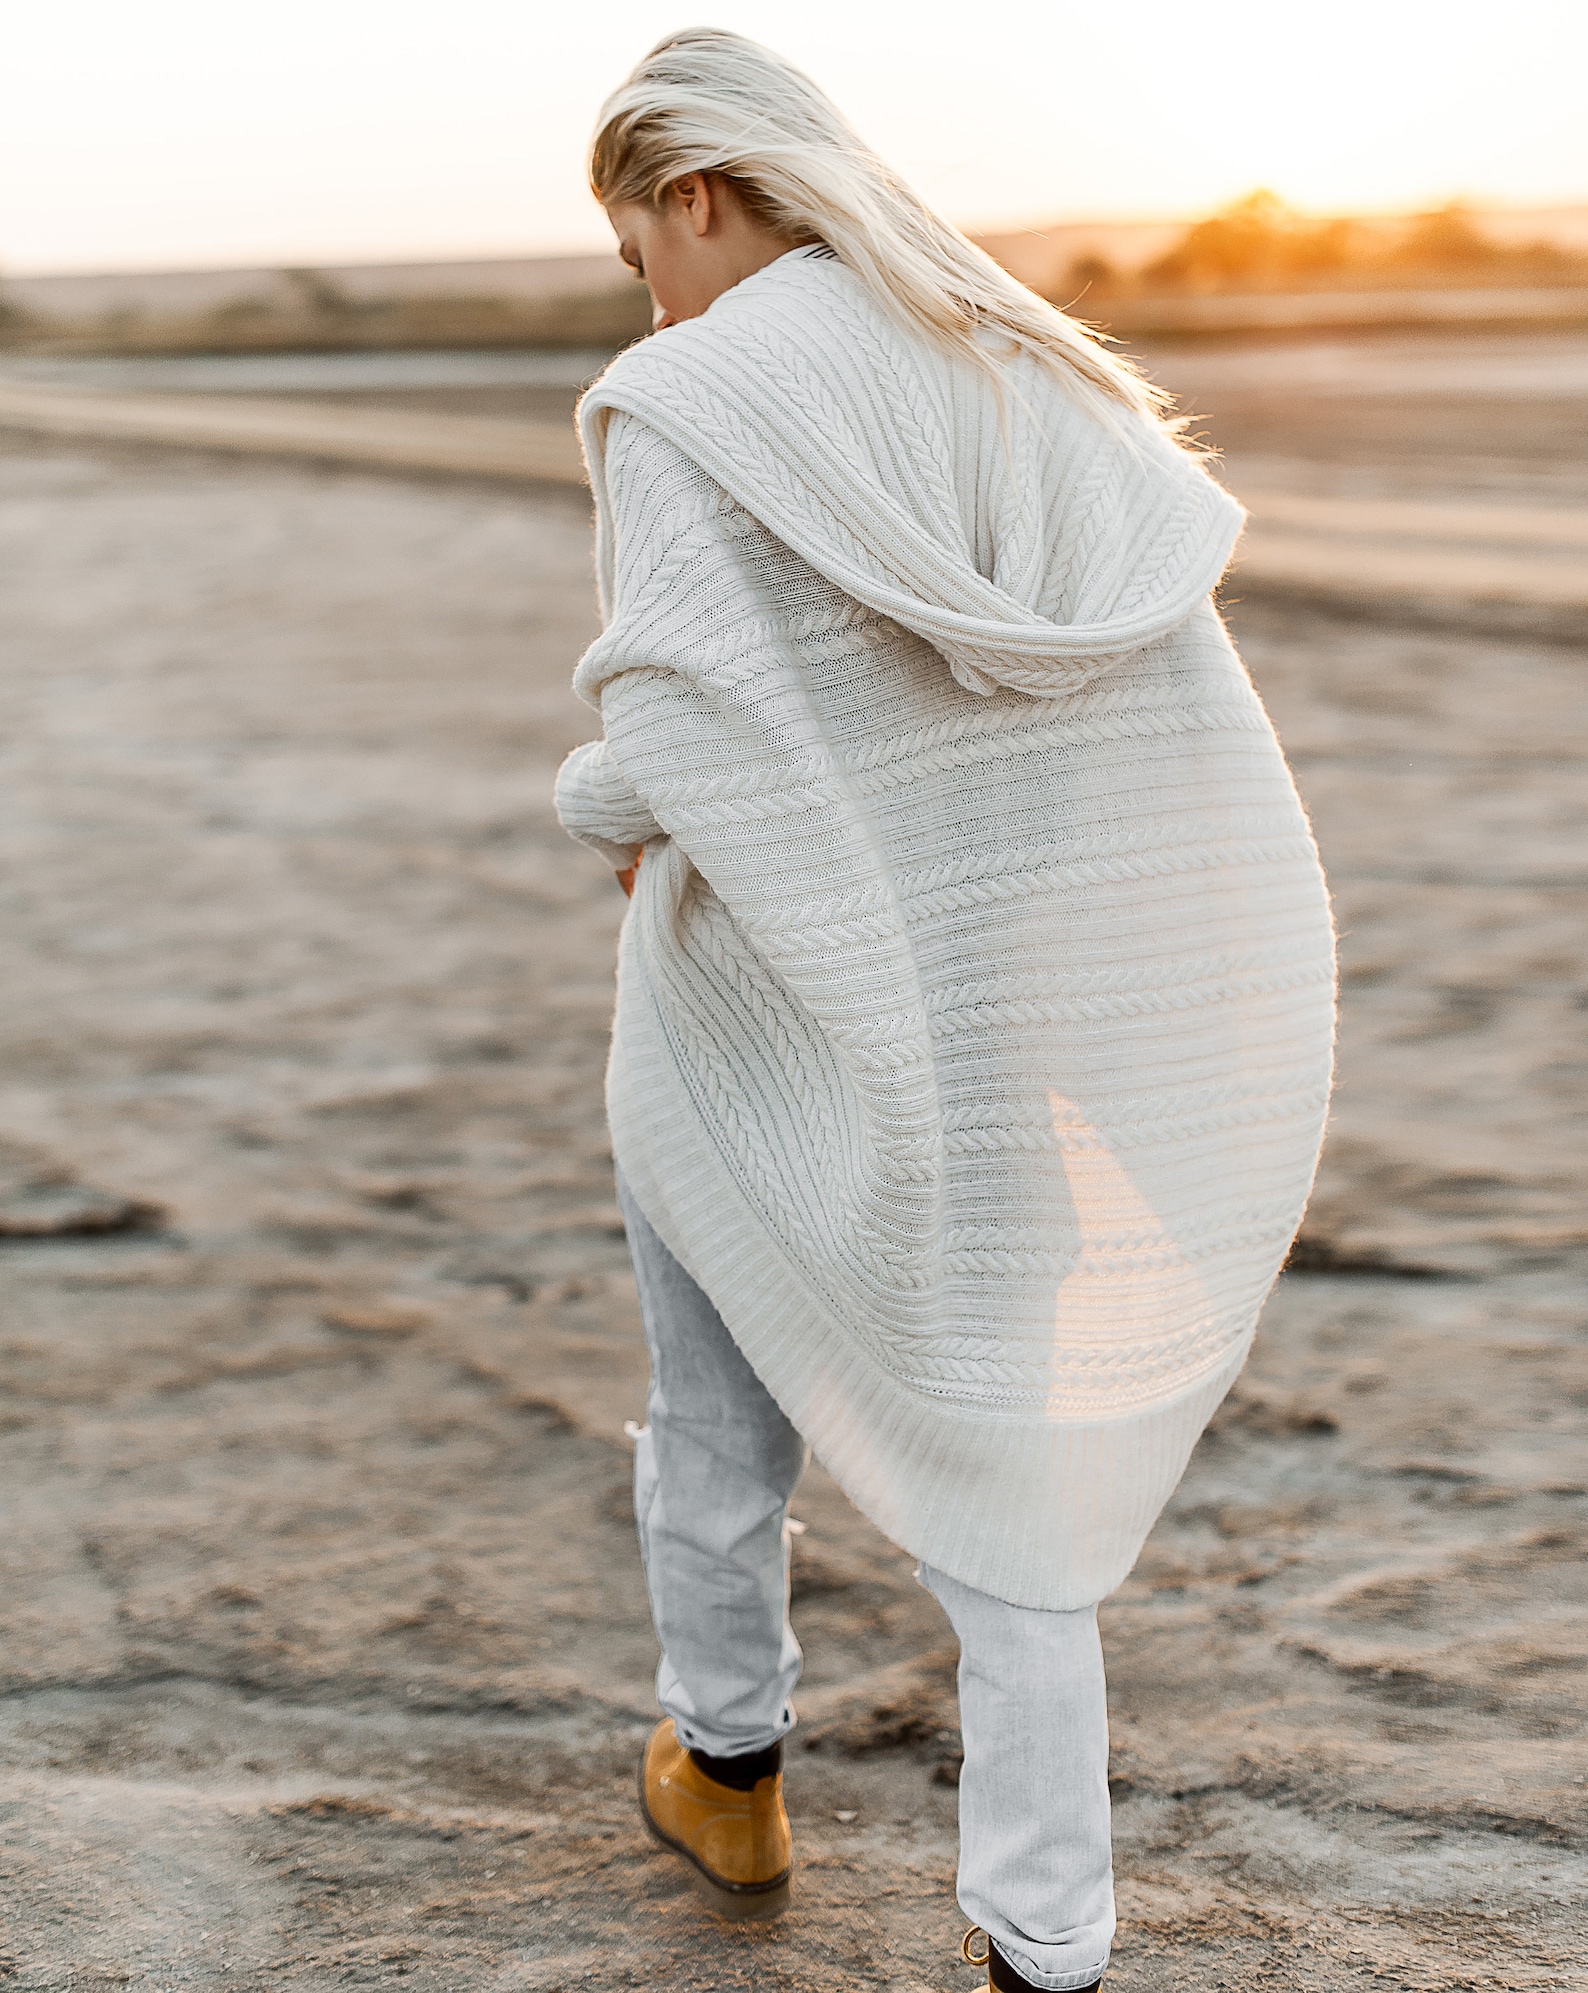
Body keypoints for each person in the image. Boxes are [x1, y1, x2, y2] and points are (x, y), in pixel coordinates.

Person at [555, 29, 1335, 1992]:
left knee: (714, 1405)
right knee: (1009, 1454)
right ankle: (1040, 1941)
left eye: (632, 240)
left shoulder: (682, 396)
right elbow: (1138, 698)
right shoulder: (1027, 369)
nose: (638, 287)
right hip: (1013, 1004)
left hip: (757, 998)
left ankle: (725, 1773)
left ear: (699, 192)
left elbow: (673, 714)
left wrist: (596, 809)